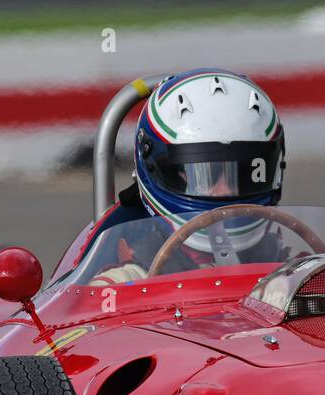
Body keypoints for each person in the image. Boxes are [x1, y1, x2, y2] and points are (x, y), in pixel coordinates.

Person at [92, 69, 287, 283]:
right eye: (206, 175)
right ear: (159, 170)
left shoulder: (298, 275)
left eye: (242, 173)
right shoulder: (118, 286)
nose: (225, 190)